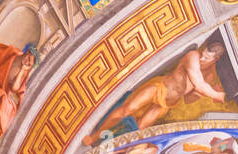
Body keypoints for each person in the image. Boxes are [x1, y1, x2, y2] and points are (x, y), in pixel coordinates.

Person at [84, 42, 228, 146]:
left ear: (216, 59)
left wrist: (203, 94)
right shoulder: (193, 56)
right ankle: (94, 137)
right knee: (126, 110)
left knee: (139, 130)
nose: (202, 59)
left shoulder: (209, 76)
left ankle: (104, 147)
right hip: (159, 88)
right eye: (203, 55)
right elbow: (199, 84)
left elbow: (189, 98)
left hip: (168, 103)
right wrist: (216, 95)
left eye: (207, 58)